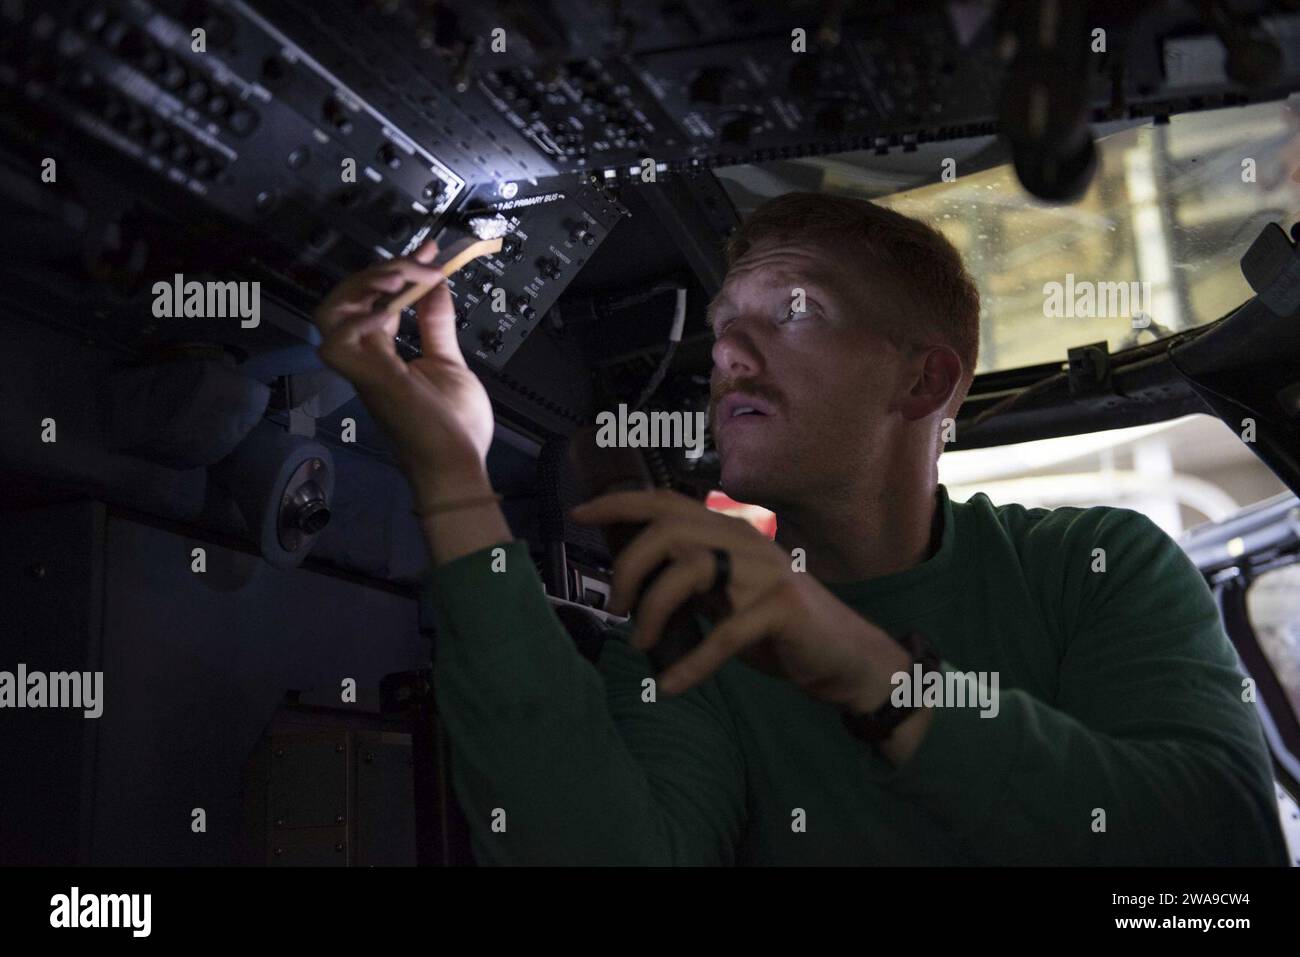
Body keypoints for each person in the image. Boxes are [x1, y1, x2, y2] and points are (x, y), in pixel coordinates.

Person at [312, 191, 1290, 865]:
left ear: (924, 380)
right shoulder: (701, 623)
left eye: (791, 313)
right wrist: (452, 476)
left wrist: (870, 674)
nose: (728, 351)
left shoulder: (1097, 568)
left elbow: (1216, 859)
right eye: (726, 323)